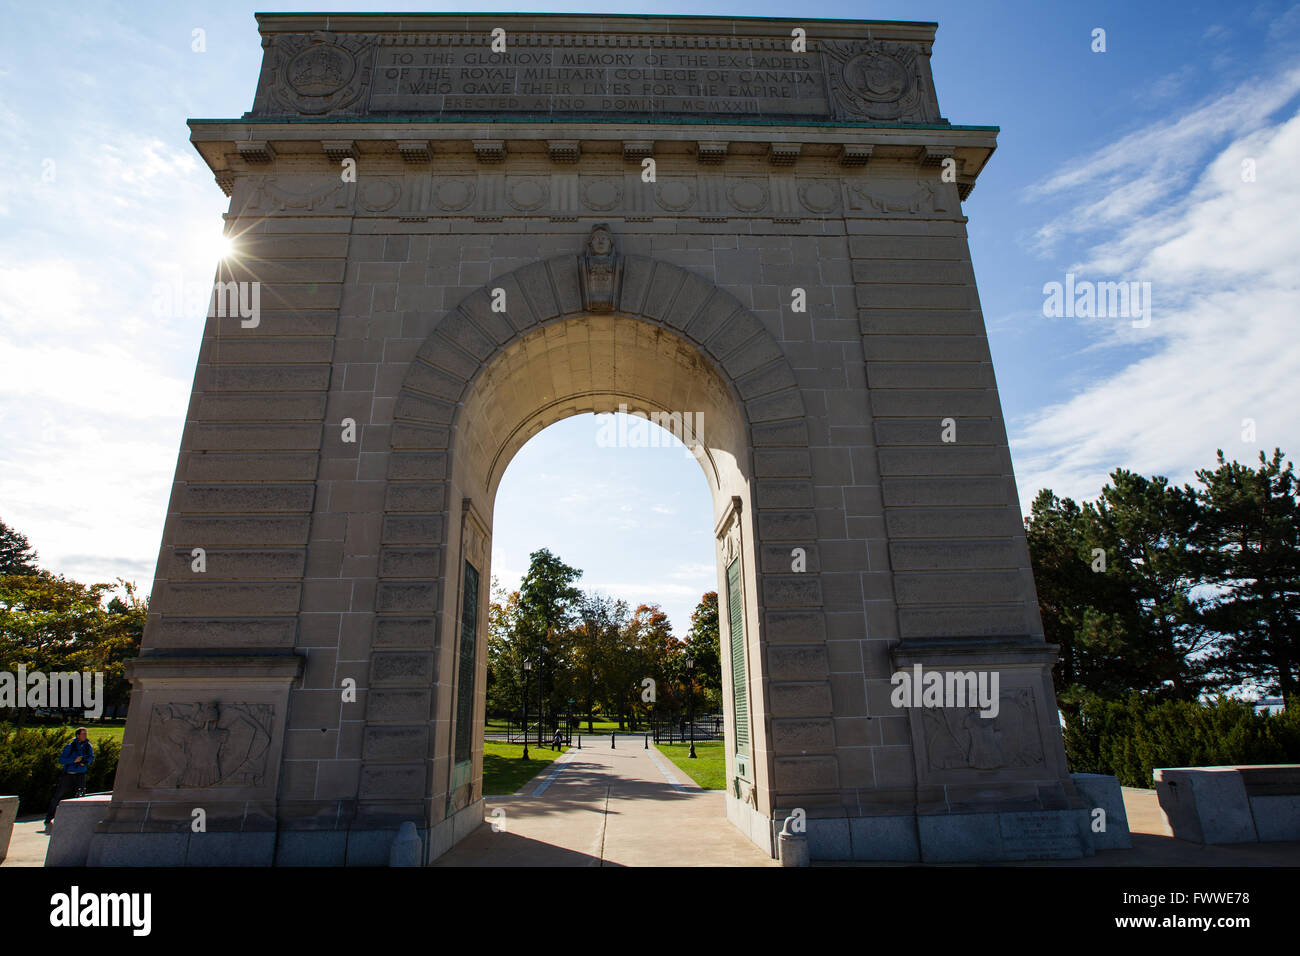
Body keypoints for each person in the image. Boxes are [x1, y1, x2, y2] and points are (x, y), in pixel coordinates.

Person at [44, 728, 95, 830]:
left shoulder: (88, 746)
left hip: (81, 774)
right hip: (69, 774)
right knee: (58, 795)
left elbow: (91, 757)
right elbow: (61, 760)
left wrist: (85, 762)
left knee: (81, 796)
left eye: (86, 734)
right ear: (77, 735)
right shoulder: (70, 746)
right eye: (83, 734)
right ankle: (49, 817)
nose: (85, 736)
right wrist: (74, 760)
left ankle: (79, 818)